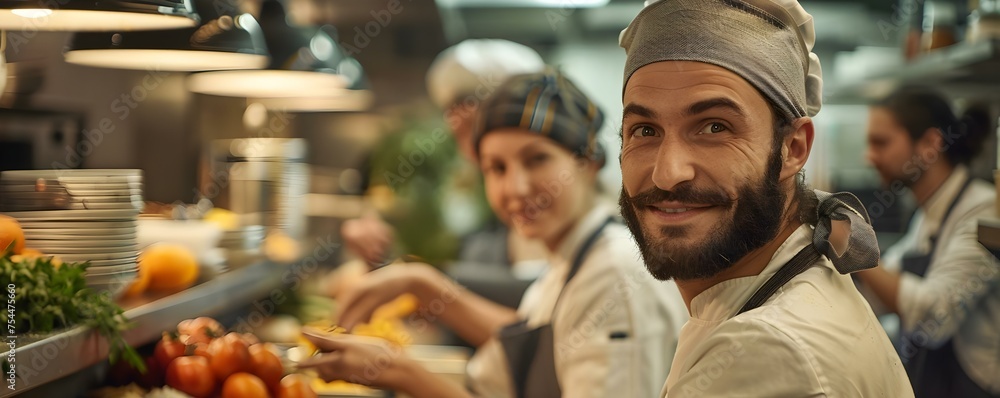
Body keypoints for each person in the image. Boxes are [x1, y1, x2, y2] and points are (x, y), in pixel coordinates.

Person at [300, 71, 687, 398]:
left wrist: (400, 372)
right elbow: (529, 352)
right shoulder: (566, 265)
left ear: (589, 163)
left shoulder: (615, 277)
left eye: (537, 159)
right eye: (496, 168)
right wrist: (421, 284)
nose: (516, 188)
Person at [617, 0, 913, 396]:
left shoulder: (768, 351)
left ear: (792, 147)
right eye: (645, 131)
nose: (668, 174)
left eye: (714, 126)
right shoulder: (792, 285)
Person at [341, 39, 547, 272]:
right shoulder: (442, 172)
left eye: (475, 128)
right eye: (458, 132)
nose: (470, 147)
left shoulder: (532, 194)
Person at [858, 87, 999, 397]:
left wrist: (853, 247)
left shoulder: (985, 211)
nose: (869, 156)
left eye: (881, 143)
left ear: (930, 145)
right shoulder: (927, 215)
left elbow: (935, 315)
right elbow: (881, 293)